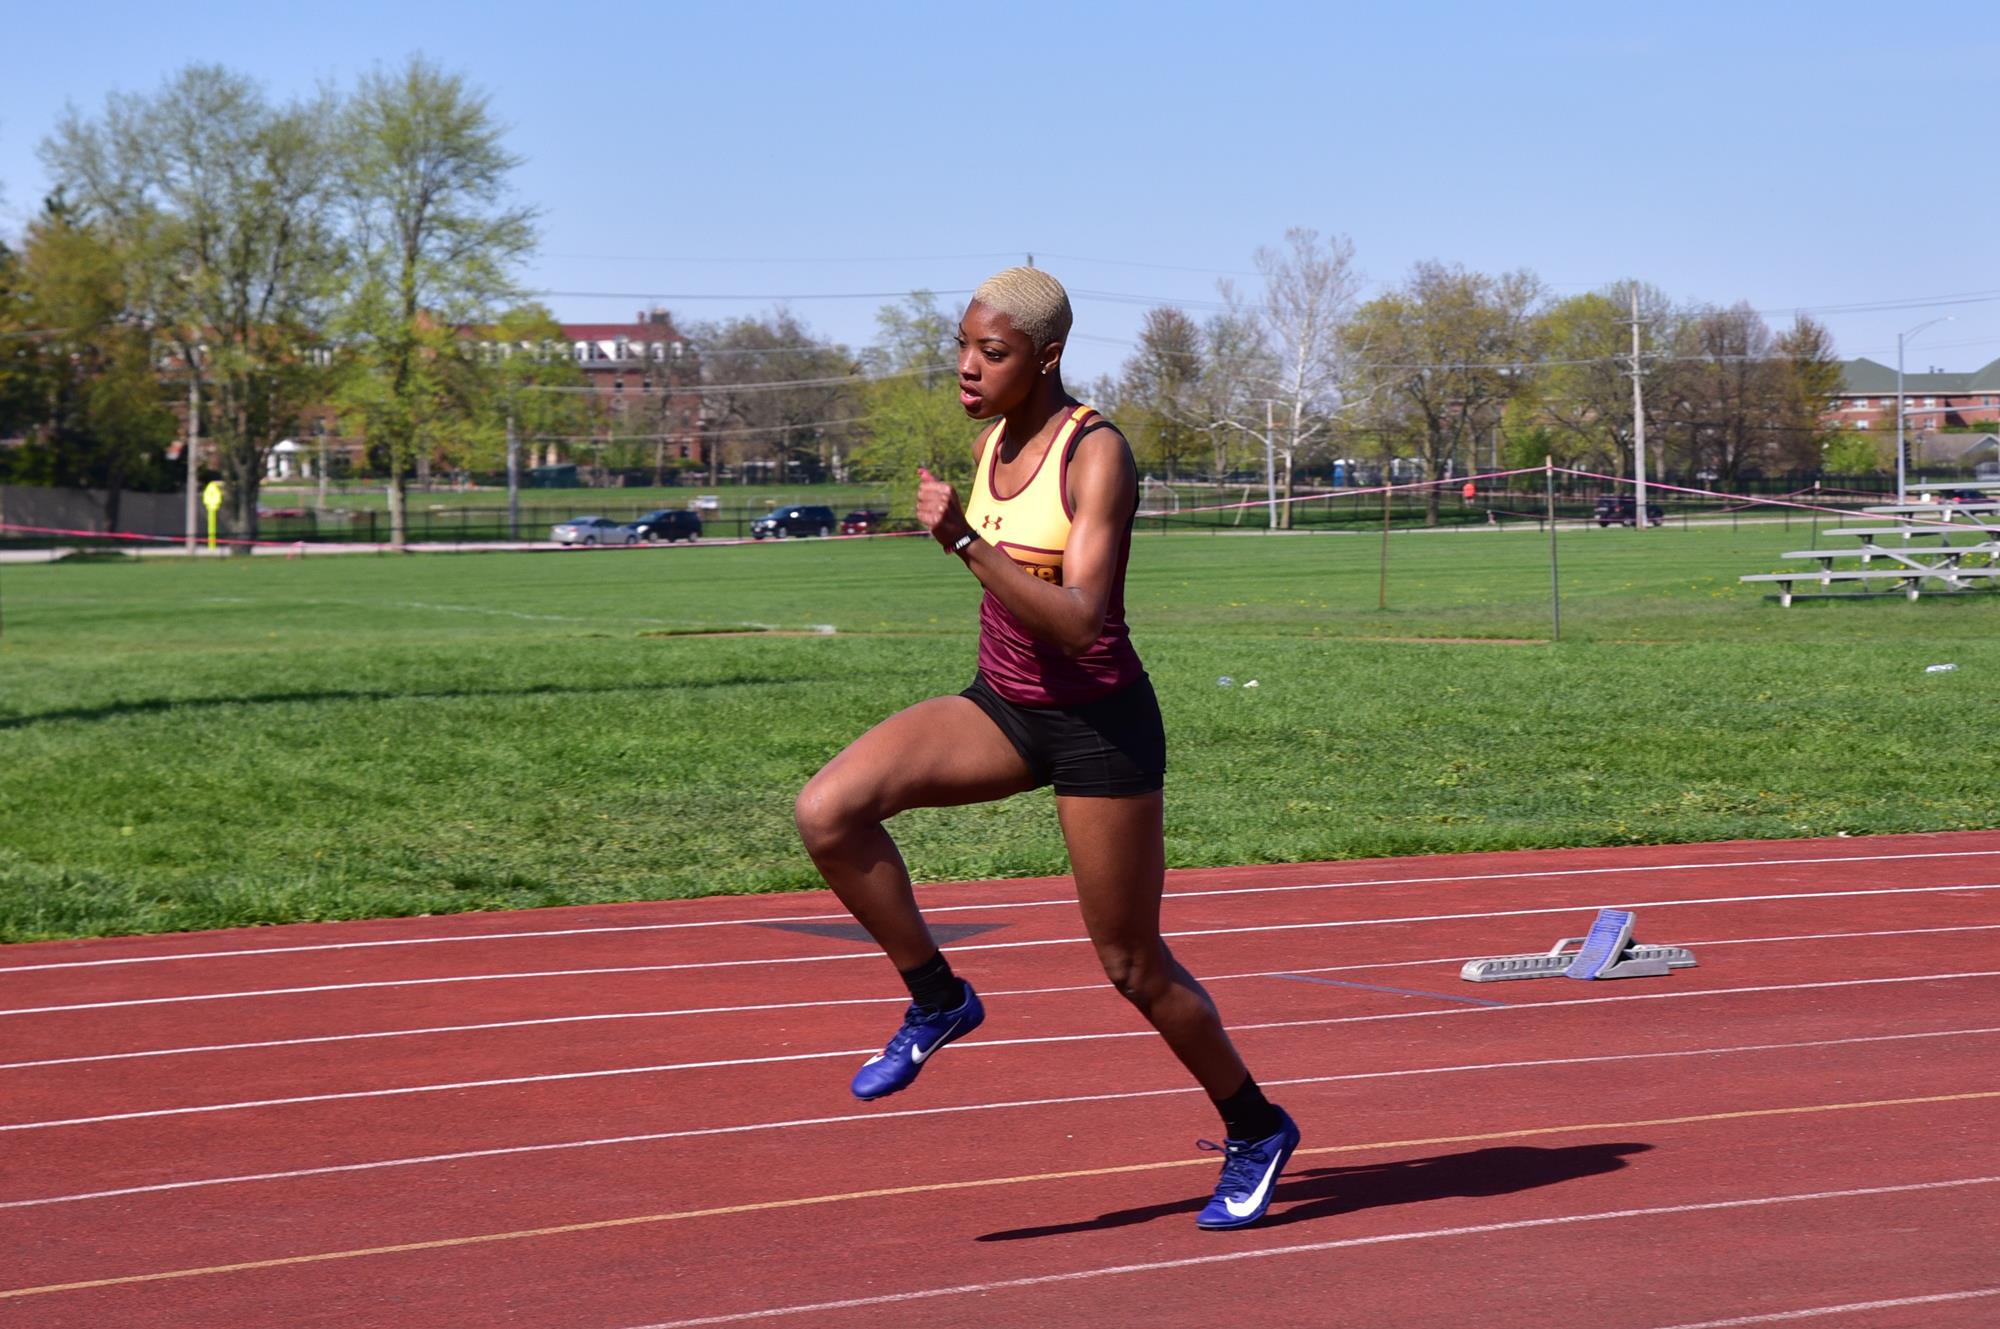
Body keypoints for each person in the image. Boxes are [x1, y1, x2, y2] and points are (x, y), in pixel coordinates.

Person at [794, 267, 1298, 1230]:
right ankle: (937, 997)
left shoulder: (1095, 453)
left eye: (992, 352)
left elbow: (1078, 622)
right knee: (828, 810)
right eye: (962, 346)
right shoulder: (991, 443)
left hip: (1100, 725)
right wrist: (970, 542)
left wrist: (963, 543)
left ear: (1047, 355)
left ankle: (1256, 1123)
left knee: (1132, 964)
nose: (968, 368)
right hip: (1007, 706)